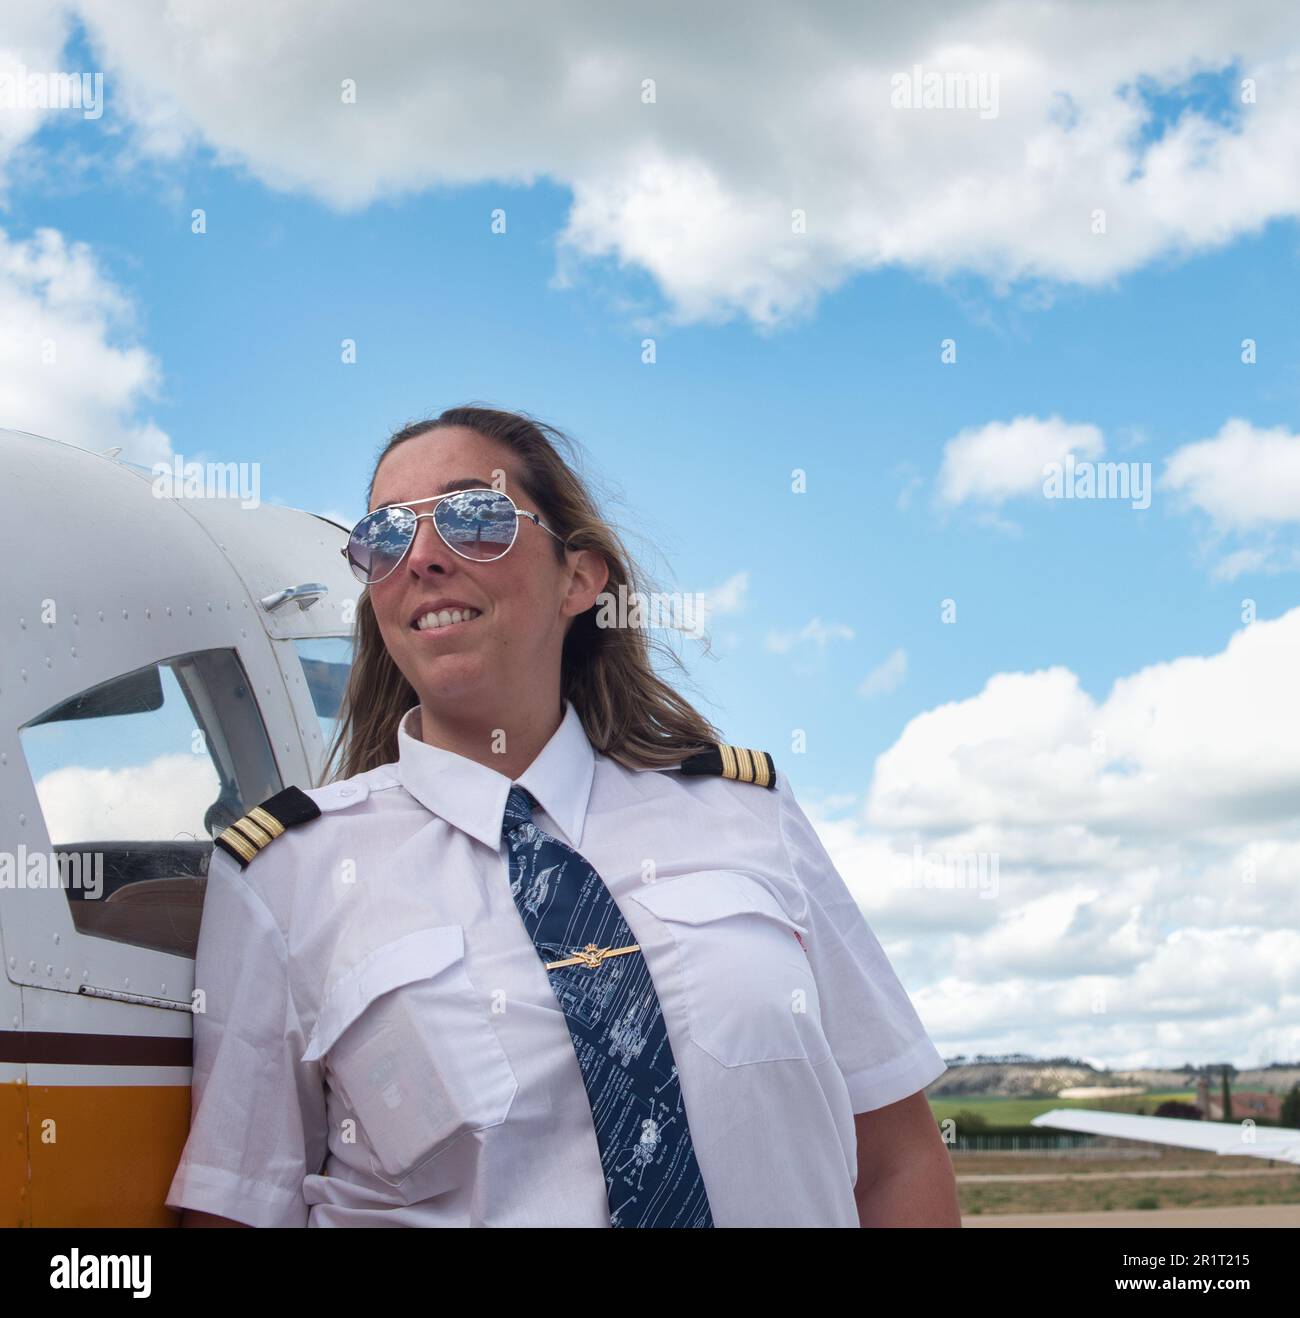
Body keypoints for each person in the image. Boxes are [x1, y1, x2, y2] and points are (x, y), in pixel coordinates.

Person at [166, 405, 959, 1228]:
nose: (424, 558)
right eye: (385, 536)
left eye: (476, 518)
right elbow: (238, 1210)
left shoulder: (747, 813)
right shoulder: (286, 874)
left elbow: (897, 1162)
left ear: (579, 580)